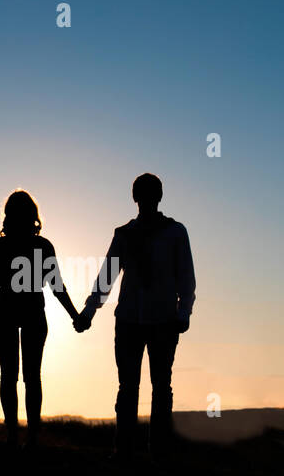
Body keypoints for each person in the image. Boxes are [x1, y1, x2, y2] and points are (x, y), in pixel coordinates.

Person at [75, 173, 195, 457]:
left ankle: (158, 451)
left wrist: (183, 312)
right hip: (130, 319)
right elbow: (108, 277)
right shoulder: (124, 234)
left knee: (160, 387)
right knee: (130, 386)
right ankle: (126, 449)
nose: (146, 200)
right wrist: (90, 310)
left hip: (163, 320)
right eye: (144, 194)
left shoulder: (175, 232)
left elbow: (186, 277)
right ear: (137, 198)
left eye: (149, 194)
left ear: (156, 197)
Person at [0, 189, 82, 448]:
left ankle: (14, 435)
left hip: (9, 311)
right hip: (29, 312)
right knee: (31, 376)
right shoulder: (41, 245)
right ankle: (29, 436)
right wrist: (75, 316)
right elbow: (56, 286)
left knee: (10, 376)